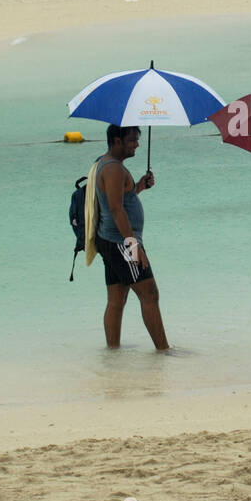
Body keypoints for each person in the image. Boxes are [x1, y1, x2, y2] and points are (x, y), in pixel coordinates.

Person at [93, 124, 170, 350]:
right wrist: (133, 245)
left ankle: (112, 353)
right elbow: (116, 209)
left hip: (109, 240)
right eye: (132, 140)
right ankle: (163, 351)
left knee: (117, 300)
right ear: (117, 141)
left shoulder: (106, 164)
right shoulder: (113, 169)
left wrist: (138, 187)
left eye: (137, 139)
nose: (137, 144)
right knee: (150, 295)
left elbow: (118, 200)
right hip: (121, 243)